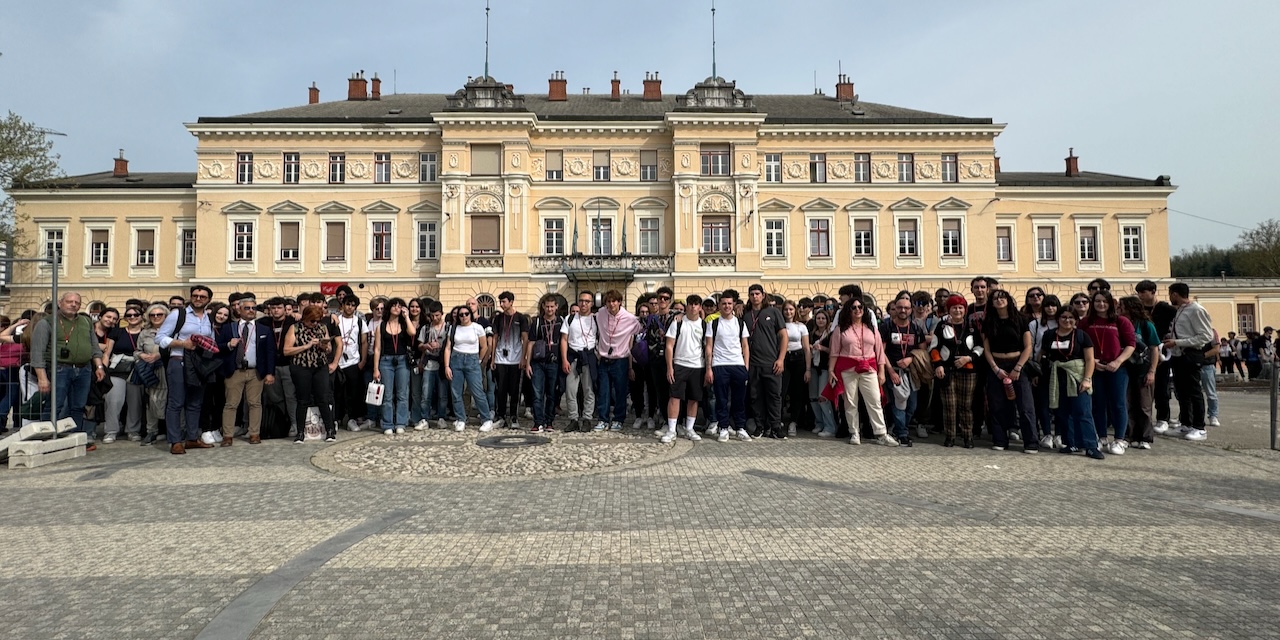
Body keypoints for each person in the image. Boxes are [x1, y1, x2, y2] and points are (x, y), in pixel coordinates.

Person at [29, 292, 107, 451]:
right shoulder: (46, 323)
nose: (73, 305)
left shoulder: (85, 321)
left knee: (78, 406)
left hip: (83, 369)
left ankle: (75, 439)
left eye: (77, 302)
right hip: (59, 369)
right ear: (60, 303)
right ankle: (46, 440)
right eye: (69, 301)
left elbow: (94, 346)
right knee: (54, 406)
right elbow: (37, 352)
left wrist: (98, 366)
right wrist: (42, 377)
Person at [828, 293, 897, 447]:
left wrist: (881, 372)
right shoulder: (840, 329)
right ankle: (854, 432)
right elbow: (834, 352)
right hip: (848, 368)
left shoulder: (871, 328)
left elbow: (879, 351)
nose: (858, 310)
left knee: (874, 400)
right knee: (850, 402)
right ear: (848, 310)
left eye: (860, 307)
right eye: (854, 307)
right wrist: (831, 371)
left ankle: (881, 433)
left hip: (869, 367)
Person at [155, 285, 217, 455]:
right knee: (176, 402)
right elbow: (159, 338)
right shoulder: (178, 314)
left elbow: (210, 339)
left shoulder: (208, 318)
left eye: (202, 297)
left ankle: (191, 438)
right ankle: (175, 440)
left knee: (195, 402)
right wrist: (182, 344)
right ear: (190, 297)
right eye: (195, 295)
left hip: (199, 363)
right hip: (179, 360)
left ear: (208, 300)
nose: (198, 299)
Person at [1039, 306, 1104, 460]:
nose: (1067, 320)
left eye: (1071, 318)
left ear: (1075, 320)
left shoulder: (1082, 336)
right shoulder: (1049, 335)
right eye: (1063, 317)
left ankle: (1090, 445)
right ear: (1058, 319)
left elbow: (1089, 359)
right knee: (1063, 412)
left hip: (1077, 375)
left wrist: (1087, 379)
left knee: (1082, 410)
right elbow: (1042, 354)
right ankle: (1071, 443)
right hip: (1057, 375)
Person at [980, 289, 1038, 452]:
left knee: (1025, 405)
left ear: (1008, 299)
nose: (999, 301)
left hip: (1018, 363)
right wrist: (995, 368)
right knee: (997, 405)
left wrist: (1018, 367)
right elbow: (987, 349)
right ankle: (1000, 439)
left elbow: (1028, 347)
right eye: (995, 299)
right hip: (996, 365)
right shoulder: (989, 321)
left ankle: (1031, 441)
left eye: (1002, 297)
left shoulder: (1021, 319)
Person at [1079, 290, 1136, 454]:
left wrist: (1118, 361)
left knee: (1118, 403)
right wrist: (1092, 361)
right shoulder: (1086, 322)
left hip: (1117, 368)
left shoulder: (1121, 321)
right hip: (1095, 368)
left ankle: (1119, 439)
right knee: (1098, 403)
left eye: (1104, 301)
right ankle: (1101, 437)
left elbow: (1131, 344)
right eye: (1097, 301)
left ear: (1111, 303)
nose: (1101, 304)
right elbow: (1080, 344)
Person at [216, 294, 275, 445]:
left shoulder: (264, 329)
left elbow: (270, 352)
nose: (250, 311)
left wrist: (269, 373)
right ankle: (228, 435)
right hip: (234, 371)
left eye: (253, 308)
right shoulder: (229, 328)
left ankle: (254, 433)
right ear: (239, 309)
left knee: (255, 403)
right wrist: (229, 344)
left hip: (256, 372)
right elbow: (218, 347)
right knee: (231, 404)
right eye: (247, 308)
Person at [1162, 282, 1213, 441]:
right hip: (1178, 355)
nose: (1170, 298)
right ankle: (1186, 423)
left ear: (1175, 294)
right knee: (1181, 391)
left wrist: (1178, 342)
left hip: (1191, 354)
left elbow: (1205, 336)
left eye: (1170, 294)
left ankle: (1199, 427)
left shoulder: (1196, 310)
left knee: (1194, 391)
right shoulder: (1180, 310)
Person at [283, 305, 340, 442]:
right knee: (303, 400)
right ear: (305, 318)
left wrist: (324, 346)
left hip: (320, 366)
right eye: (312, 321)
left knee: (323, 398)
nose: (314, 324)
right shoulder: (295, 328)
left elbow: (329, 349)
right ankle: (300, 432)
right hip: (301, 366)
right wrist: (306, 346)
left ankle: (330, 430)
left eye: (317, 321)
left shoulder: (322, 328)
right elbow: (286, 350)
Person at [931, 295, 980, 448]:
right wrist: (938, 365)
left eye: (960, 307)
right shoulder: (942, 326)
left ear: (964, 310)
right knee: (950, 405)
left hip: (968, 370)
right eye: (954, 307)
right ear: (949, 310)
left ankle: (967, 436)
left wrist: (969, 358)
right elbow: (933, 347)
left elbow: (979, 348)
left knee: (966, 405)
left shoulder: (972, 326)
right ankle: (950, 436)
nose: (957, 310)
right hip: (947, 370)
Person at [661, 294, 707, 443]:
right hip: (679, 364)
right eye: (691, 304)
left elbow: (708, 348)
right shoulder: (677, 322)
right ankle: (671, 429)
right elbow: (669, 345)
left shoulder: (705, 325)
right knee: (674, 397)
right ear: (687, 306)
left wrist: (708, 368)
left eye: (696, 304)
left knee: (694, 399)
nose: (693, 307)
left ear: (700, 307)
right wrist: (670, 367)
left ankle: (689, 428)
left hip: (698, 365)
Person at [880, 295, 925, 446]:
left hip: (912, 372)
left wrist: (910, 358)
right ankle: (902, 434)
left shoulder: (916, 329)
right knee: (899, 404)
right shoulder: (887, 327)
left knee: (912, 405)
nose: (903, 310)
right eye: (899, 307)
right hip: (894, 371)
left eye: (906, 308)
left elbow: (922, 351)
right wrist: (890, 371)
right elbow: (881, 352)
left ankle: (899, 428)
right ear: (895, 309)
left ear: (911, 309)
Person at [706, 294, 751, 442]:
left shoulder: (740, 323)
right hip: (720, 364)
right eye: (724, 303)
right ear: (719, 305)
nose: (727, 306)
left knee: (739, 399)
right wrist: (709, 368)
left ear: (733, 305)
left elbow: (745, 346)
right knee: (721, 399)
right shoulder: (713, 323)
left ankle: (740, 427)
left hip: (737, 364)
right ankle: (723, 427)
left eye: (729, 303)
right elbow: (709, 346)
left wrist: (746, 367)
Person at [745, 284, 788, 439]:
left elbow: (784, 336)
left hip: (772, 362)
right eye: (752, 294)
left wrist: (781, 359)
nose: (755, 296)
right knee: (756, 396)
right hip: (753, 364)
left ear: (763, 295)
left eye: (757, 293)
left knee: (775, 396)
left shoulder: (774, 312)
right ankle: (760, 426)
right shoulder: (745, 314)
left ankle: (776, 427)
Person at [594, 289, 641, 432]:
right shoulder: (600, 314)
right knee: (603, 391)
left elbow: (640, 330)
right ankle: (603, 419)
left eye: (614, 301)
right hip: (604, 358)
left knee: (620, 391)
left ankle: (618, 419)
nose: (611, 304)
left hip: (620, 359)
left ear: (619, 302)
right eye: (608, 301)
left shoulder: (629, 318)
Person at [443, 304, 494, 432]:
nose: (464, 316)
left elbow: (484, 346)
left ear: (470, 314)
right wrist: (447, 366)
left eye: (466, 314)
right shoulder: (454, 328)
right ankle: (461, 419)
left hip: (472, 359)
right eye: (461, 314)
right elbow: (448, 348)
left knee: (477, 391)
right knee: (456, 392)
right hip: (456, 360)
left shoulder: (477, 328)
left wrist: (479, 360)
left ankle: (486, 419)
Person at [1136, 280, 1178, 431]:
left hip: (1162, 350)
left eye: (1143, 292)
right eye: (1139, 292)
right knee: (1142, 387)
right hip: (1142, 351)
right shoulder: (1138, 309)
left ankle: (1163, 418)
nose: (1140, 295)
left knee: (1162, 386)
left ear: (1153, 291)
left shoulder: (1165, 308)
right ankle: (1142, 418)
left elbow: (1177, 324)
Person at [1119, 296, 1159, 450]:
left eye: (1121, 306)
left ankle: (1145, 437)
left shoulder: (1146, 325)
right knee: (1126, 402)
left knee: (1144, 405)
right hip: (1125, 369)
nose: (1118, 310)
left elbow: (1154, 348)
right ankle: (1129, 435)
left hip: (1143, 369)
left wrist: (1152, 371)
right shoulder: (1120, 324)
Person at [103, 306, 145, 443]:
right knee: (114, 401)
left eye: (136, 314)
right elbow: (107, 352)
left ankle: (133, 430)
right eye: (129, 315)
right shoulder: (117, 332)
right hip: (117, 370)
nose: (132, 317)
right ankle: (111, 431)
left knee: (135, 402)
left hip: (137, 370)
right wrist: (103, 368)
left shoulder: (145, 333)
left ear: (141, 316)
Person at [372, 298, 413, 435]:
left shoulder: (404, 324)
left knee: (402, 393)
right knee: (387, 395)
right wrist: (376, 368)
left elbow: (412, 333)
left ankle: (401, 422)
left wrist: (406, 317)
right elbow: (377, 349)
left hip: (402, 361)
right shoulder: (381, 326)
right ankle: (387, 423)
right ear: (389, 308)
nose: (397, 308)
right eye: (394, 305)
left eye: (399, 306)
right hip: (386, 361)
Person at [524, 293, 563, 433]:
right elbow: (531, 343)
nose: (550, 309)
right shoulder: (537, 322)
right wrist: (527, 363)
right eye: (547, 306)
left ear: (556, 307)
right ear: (543, 307)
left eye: (552, 306)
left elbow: (565, 341)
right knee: (537, 393)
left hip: (554, 362)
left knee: (552, 393)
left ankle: (549, 421)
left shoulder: (561, 321)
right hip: (538, 362)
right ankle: (538, 422)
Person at [560, 290, 598, 433]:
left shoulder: (595, 319)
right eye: (581, 300)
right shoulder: (570, 318)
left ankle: (587, 419)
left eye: (587, 301)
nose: (583, 304)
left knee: (589, 390)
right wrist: (564, 359)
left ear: (591, 303)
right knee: (571, 390)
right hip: (573, 356)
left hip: (589, 356)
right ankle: (573, 419)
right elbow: (564, 339)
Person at [263, 297, 301, 436]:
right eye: (273, 308)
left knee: (291, 396)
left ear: (285, 309)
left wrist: (298, 314)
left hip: (289, 365)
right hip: (271, 367)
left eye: (279, 307)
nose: (276, 310)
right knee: (275, 397)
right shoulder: (264, 322)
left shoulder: (293, 321)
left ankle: (295, 424)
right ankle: (280, 424)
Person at [490, 292, 528, 430]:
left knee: (514, 390)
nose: (501, 304)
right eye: (500, 302)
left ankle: (513, 417)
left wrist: (523, 358)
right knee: (501, 390)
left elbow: (525, 339)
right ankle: (501, 417)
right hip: (501, 359)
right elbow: (494, 338)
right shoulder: (499, 318)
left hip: (515, 359)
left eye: (504, 302)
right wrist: (493, 358)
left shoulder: (521, 318)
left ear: (511, 302)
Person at [333, 294, 370, 431]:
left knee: (353, 393)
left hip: (353, 362)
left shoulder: (359, 322)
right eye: (347, 304)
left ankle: (352, 419)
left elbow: (364, 342)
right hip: (338, 362)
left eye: (353, 305)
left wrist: (363, 360)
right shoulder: (336, 320)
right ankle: (336, 418)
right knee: (337, 393)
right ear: (342, 305)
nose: (350, 307)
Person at [135, 304, 169, 445]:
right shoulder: (144, 333)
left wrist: (159, 356)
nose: (156, 317)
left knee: (173, 400)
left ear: (166, 316)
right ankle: (151, 431)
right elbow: (136, 350)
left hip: (167, 369)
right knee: (152, 401)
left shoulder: (172, 331)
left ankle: (179, 429)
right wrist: (142, 355)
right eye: (152, 315)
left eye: (159, 314)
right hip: (150, 371)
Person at [417, 301, 450, 430]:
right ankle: (424, 418)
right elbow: (419, 345)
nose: (435, 318)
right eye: (432, 316)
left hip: (442, 363)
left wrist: (441, 346)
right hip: (429, 363)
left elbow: (451, 345)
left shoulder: (448, 327)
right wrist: (425, 346)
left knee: (443, 394)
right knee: (426, 393)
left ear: (441, 314)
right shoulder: (426, 328)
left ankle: (441, 417)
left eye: (437, 315)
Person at [781, 301, 811, 437]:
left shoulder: (801, 326)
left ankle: (794, 421)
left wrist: (808, 369)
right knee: (782, 390)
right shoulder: (779, 324)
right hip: (784, 358)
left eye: (791, 309)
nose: (788, 312)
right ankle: (779, 420)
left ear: (795, 310)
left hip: (798, 359)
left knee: (797, 391)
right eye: (786, 309)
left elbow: (806, 348)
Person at [808, 308, 837, 437]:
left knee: (822, 397)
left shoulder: (830, 334)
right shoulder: (812, 333)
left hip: (825, 367)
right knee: (813, 397)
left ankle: (830, 426)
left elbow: (834, 351)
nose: (820, 320)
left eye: (823, 318)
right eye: (818, 318)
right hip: (814, 367)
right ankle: (819, 423)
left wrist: (822, 348)